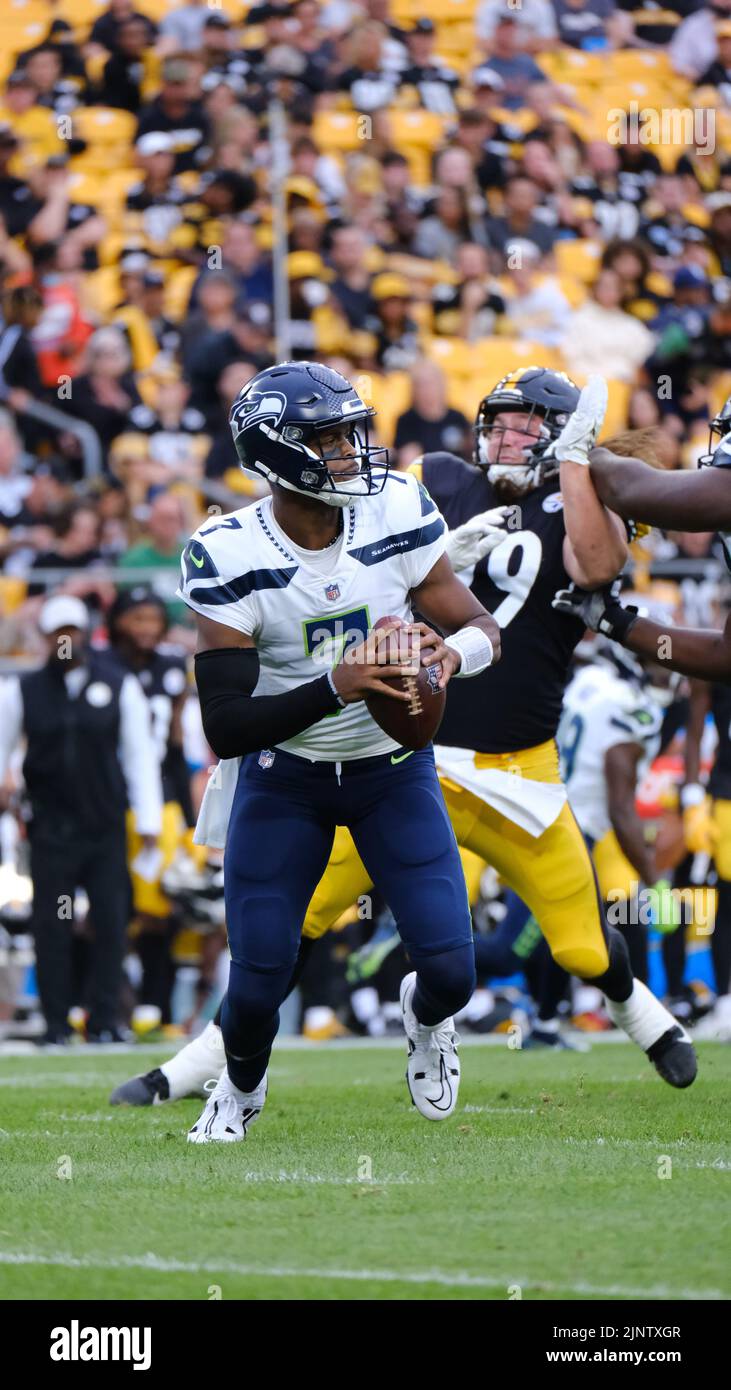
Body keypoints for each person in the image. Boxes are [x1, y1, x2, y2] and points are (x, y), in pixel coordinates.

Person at [114, 367, 698, 1109]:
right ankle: (196, 1072)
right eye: (498, 420)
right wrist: (433, 559)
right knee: (296, 921)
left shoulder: (576, 502)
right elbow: (353, 526)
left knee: (580, 941)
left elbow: (597, 566)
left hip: (516, 764)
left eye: (526, 425)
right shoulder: (434, 481)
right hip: (400, 755)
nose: (505, 437)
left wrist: (576, 462)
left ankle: (643, 1018)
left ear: (558, 437)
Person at [177, 360, 500, 1141]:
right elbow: (225, 726)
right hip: (282, 777)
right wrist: (337, 684)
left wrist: (448, 658)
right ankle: (240, 1090)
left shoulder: (394, 507)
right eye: (328, 439)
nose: (353, 452)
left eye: (352, 433)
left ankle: (424, 1026)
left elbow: (479, 626)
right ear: (276, 454)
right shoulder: (226, 551)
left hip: (391, 769)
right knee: (256, 983)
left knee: (452, 974)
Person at [0, 594, 162, 1044]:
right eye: (58, 633)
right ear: (46, 638)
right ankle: (56, 1022)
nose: (66, 640)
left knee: (111, 923)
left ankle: (105, 1019)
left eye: (72, 631)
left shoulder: (118, 683)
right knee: (52, 925)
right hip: (51, 831)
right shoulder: (22, 691)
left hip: (104, 826)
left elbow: (138, 755)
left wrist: (147, 820)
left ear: (84, 633)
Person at [95, 586, 192, 1027]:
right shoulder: (101, 669)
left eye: (153, 619)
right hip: (110, 800)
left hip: (163, 799)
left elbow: (173, 744)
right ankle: (101, 1003)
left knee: (160, 906)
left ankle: (157, 1004)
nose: (147, 628)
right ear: (117, 623)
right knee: (106, 907)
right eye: (138, 619)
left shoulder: (171, 667)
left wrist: (190, 819)